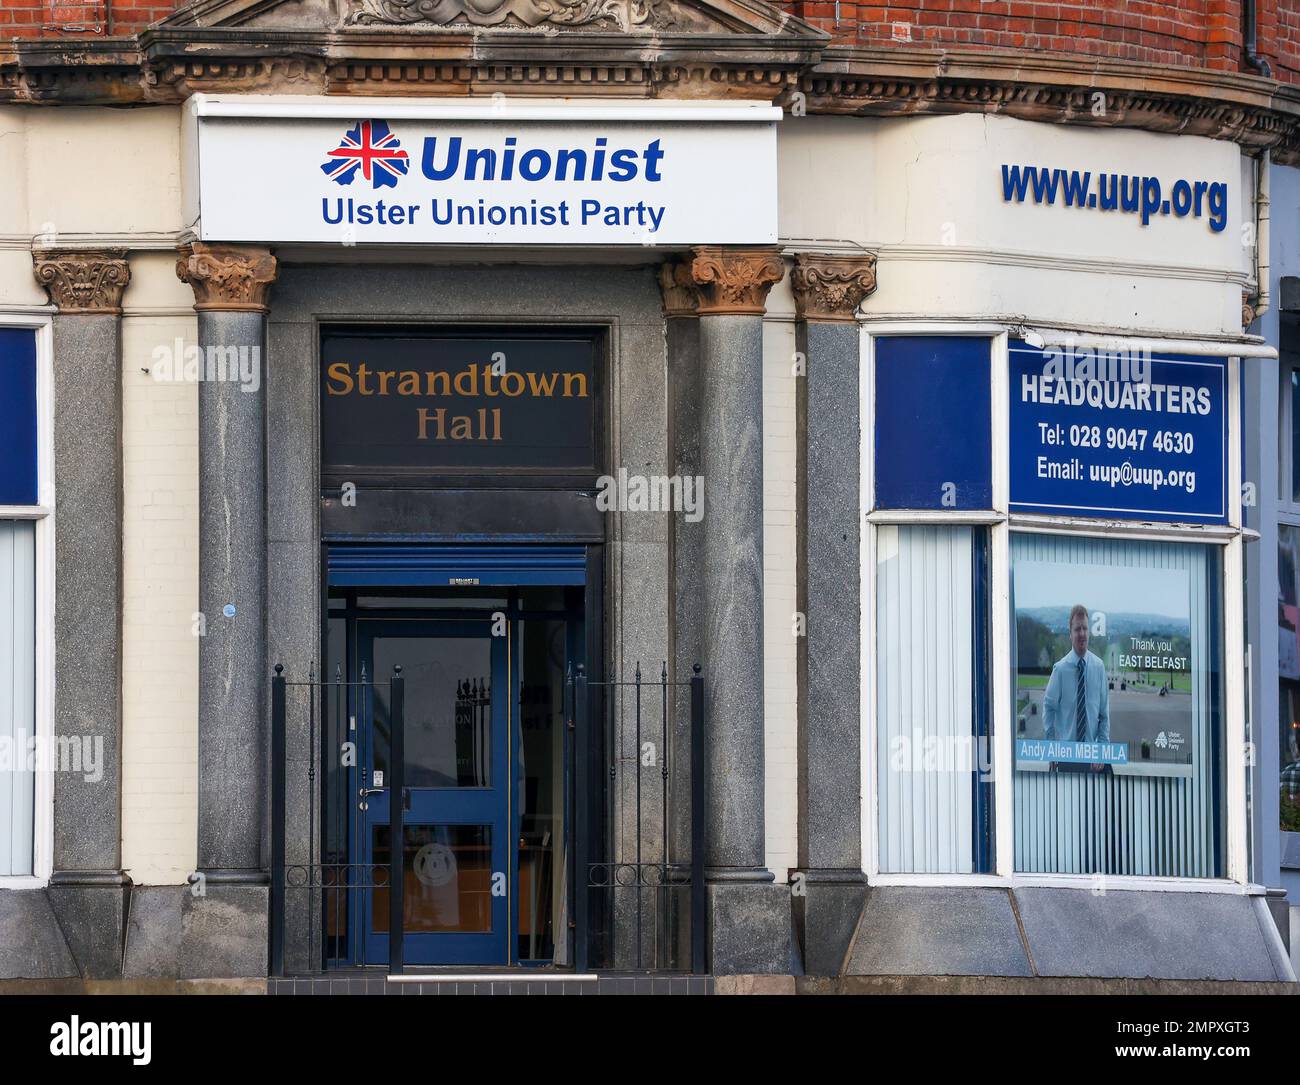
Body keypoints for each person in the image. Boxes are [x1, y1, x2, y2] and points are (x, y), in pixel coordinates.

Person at [1042, 603, 1111, 774]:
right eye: (1077, 629)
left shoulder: (1099, 667)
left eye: (1085, 629)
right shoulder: (1060, 670)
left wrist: (1101, 752)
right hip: (1067, 757)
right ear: (1070, 634)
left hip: (1093, 759)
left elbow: (1103, 716)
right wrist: (1052, 749)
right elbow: (1048, 709)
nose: (1082, 634)